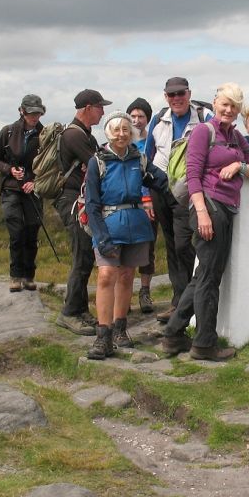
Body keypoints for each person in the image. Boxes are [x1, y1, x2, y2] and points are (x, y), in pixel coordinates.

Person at [161, 83, 249, 361]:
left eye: (234, 106)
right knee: (209, 279)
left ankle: (172, 335)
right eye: (225, 104)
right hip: (210, 208)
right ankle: (205, 344)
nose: (229, 110)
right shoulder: (203, 132)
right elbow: (193, 175)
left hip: (227, 209)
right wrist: (202, 213)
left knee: (203, 275)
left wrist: (240, 166)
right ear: (215, 104)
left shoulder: (237, 137)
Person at [84, 111, 172, 359]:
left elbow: (160, 180)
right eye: (115, 129)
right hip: (109, 225)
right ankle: (104, 337)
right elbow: (91, 203)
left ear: (131, 132)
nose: (121, 134)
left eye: (125, 129)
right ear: (107, 133)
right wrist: (101, 237)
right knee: (105, 276)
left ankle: (120, 329)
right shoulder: (98, 162)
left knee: (125, 278)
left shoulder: (139, 159)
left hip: (136, 224)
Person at [144, 77, 212, 323]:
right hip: (161, 188)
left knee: (185, 245)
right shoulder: (159, 119)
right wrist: (146, 194)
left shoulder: (204, 117)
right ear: (165, 97)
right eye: (171, 95)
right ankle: (178, 301)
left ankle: (191, 301)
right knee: (172, 245)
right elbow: (148, 155)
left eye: (180, 93)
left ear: (189, 93)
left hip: (190, 189)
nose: (176, 99)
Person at [54, 89, 111, 336]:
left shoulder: (83, 134)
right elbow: (96, 166)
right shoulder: (74, 136)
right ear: (87, 108)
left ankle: (79, 308)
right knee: (82, 255)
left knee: (86, 255)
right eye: (100, 107)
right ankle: (69, 314)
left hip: (78, 199)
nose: (103, 112)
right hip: (71, 200)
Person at [0, 94, 46, 292]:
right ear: (22, 111)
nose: (35, 116)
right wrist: (10, 170)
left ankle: (29, 276)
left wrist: (35, 182)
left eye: (38, 113)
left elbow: (51, 166)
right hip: (11, 189)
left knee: (31, 231)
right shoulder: (8, 132)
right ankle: (15, 276)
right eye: (31, 112)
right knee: (16, 232)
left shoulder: (45, 135)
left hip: (33, 190)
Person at [128, 97, 158, 314]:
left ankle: (145, 291)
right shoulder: (121, 139)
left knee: (148, 247)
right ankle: (124, 295)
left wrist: (148, 199)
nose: (136, 120)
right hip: (126, 202)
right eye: (133, 116)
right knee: (126, 249)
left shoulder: (152, 141)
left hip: (149, 201)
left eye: (141, 116)